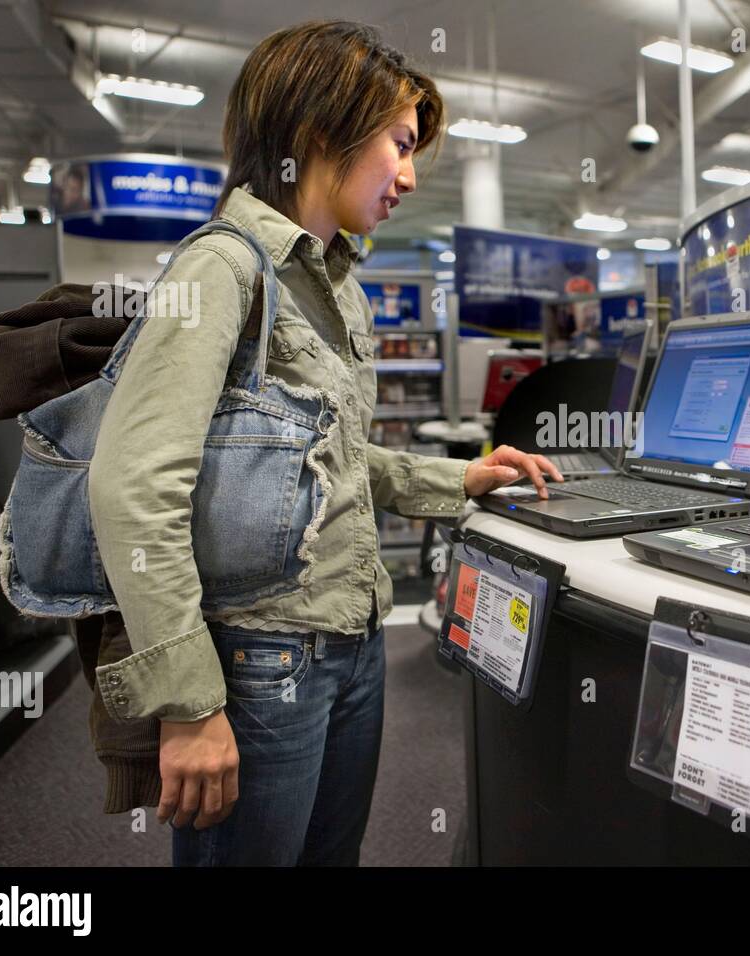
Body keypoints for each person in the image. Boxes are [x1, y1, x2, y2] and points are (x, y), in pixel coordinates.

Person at [86, 19, 563, 866]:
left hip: (354, 643)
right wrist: (188, 702)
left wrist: (464, 478)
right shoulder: (222, 270)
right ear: (318, 134)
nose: (411, 175)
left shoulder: (339, 288)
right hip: (260, 660)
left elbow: (333, 459)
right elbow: (133, 485)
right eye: (400, 143)